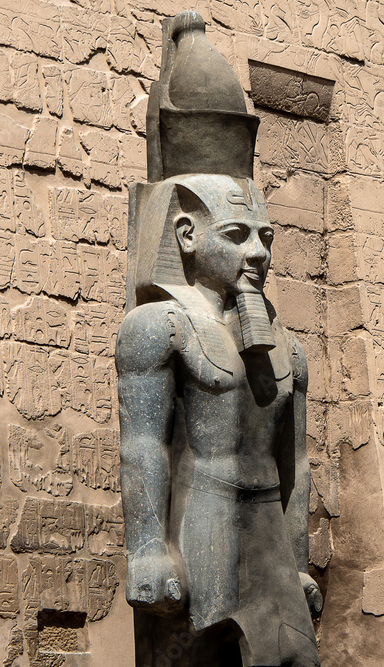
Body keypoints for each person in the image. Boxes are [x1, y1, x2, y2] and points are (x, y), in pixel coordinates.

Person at [118, 173, 321, 667]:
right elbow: (144, 444)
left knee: (297, 657)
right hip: (204, 520)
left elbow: (294, 465)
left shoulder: (289, 349)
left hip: (269, 528)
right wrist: (147, 548)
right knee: (198, 656)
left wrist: (296, 562)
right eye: (236, 235)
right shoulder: (159, 326)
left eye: (265, 238)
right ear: (187, 235)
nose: (257, 253)